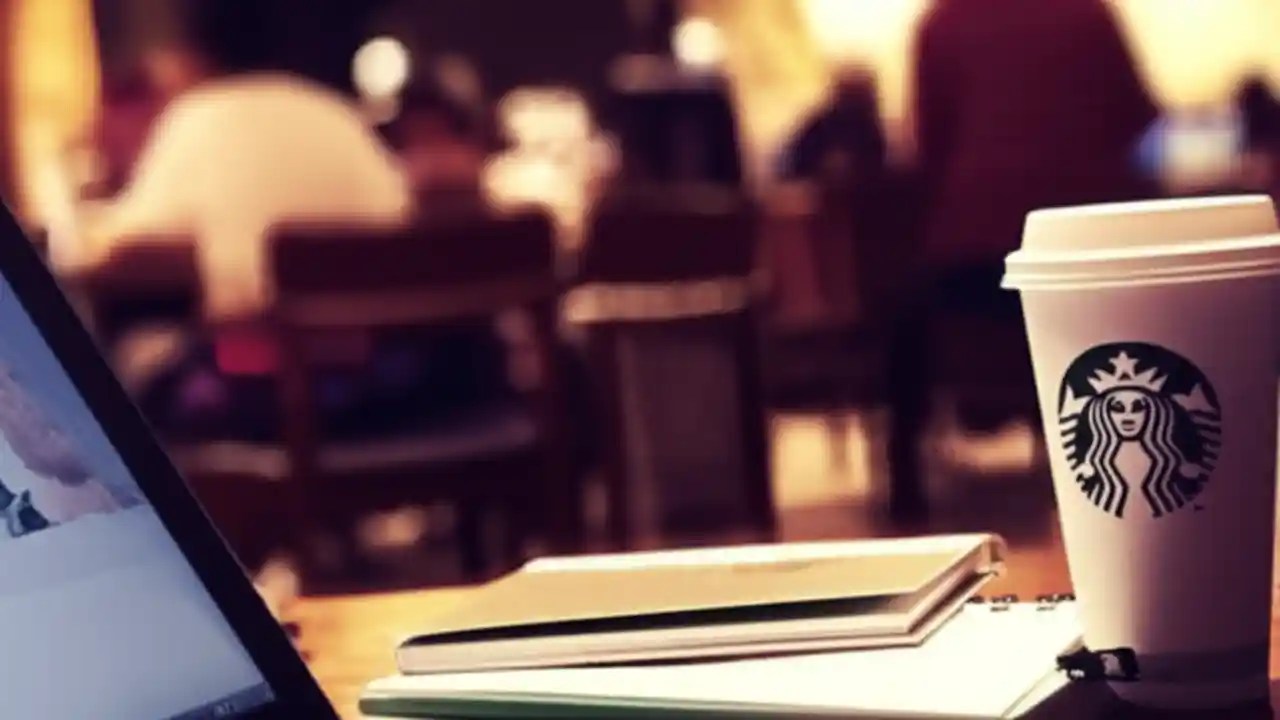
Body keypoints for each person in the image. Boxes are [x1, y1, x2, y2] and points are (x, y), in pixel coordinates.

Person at [887, 0, 1159, 517]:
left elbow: (927, 146)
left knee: (905, 327)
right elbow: (1137, 116)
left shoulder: (943, 23)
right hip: (1084, 245)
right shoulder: (1089, 16)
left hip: (974, 252)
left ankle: (906, 495)